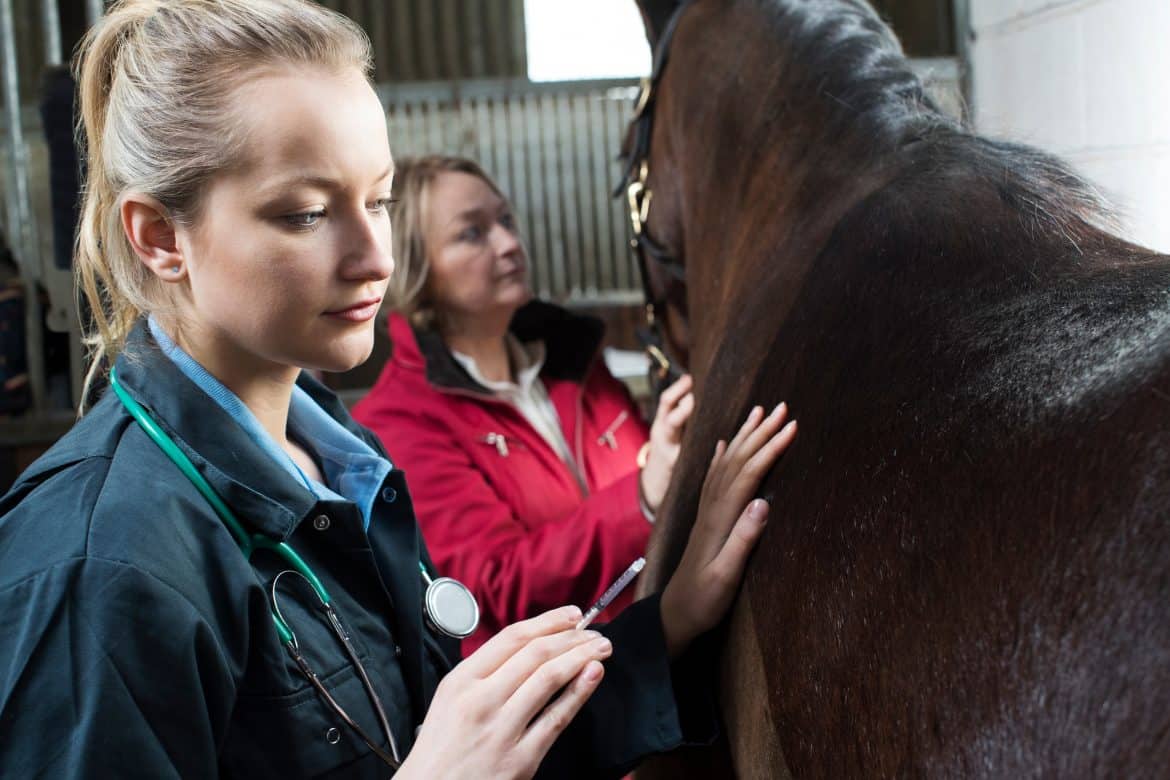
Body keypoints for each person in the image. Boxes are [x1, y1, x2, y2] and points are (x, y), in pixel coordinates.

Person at [0, 1, 798, 777]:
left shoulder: (342, 464)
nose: (376, 255)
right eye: (308, 214)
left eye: (376, 200)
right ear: (162, 237)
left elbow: (469, 742)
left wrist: (676, 617)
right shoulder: (97, 568)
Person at [352, 155, 695, 651]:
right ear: (417, 269)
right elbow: (496, 584)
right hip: (568, 693)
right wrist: (643, 495)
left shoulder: (575, 364)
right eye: (473, 233)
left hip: (659, 642)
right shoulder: (399, 423)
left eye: (506, 220)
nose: (510, 243)